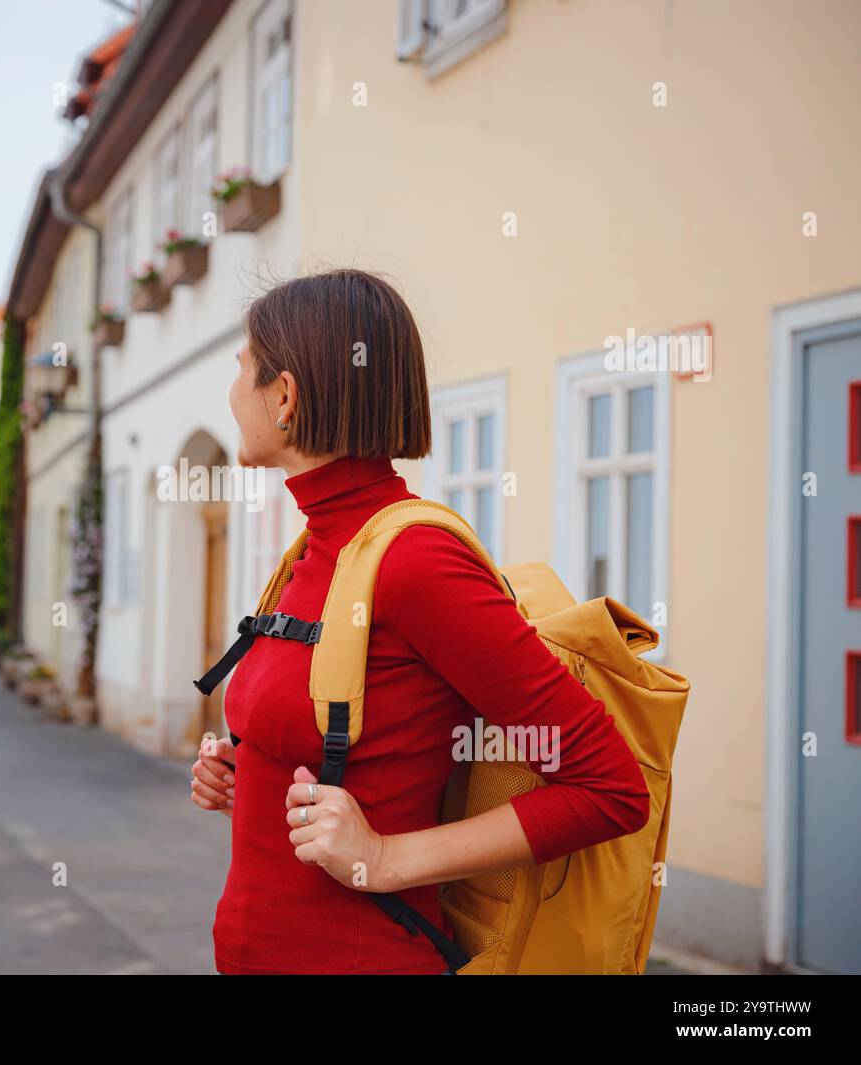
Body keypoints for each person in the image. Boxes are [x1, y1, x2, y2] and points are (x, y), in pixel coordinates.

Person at [189, 268, 651, 975]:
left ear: (285, 396)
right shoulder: (312, 549)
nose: (231, 392)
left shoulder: (416, 559)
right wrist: (247, 771)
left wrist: (386, 856)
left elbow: (610, 787)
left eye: (243, 369)